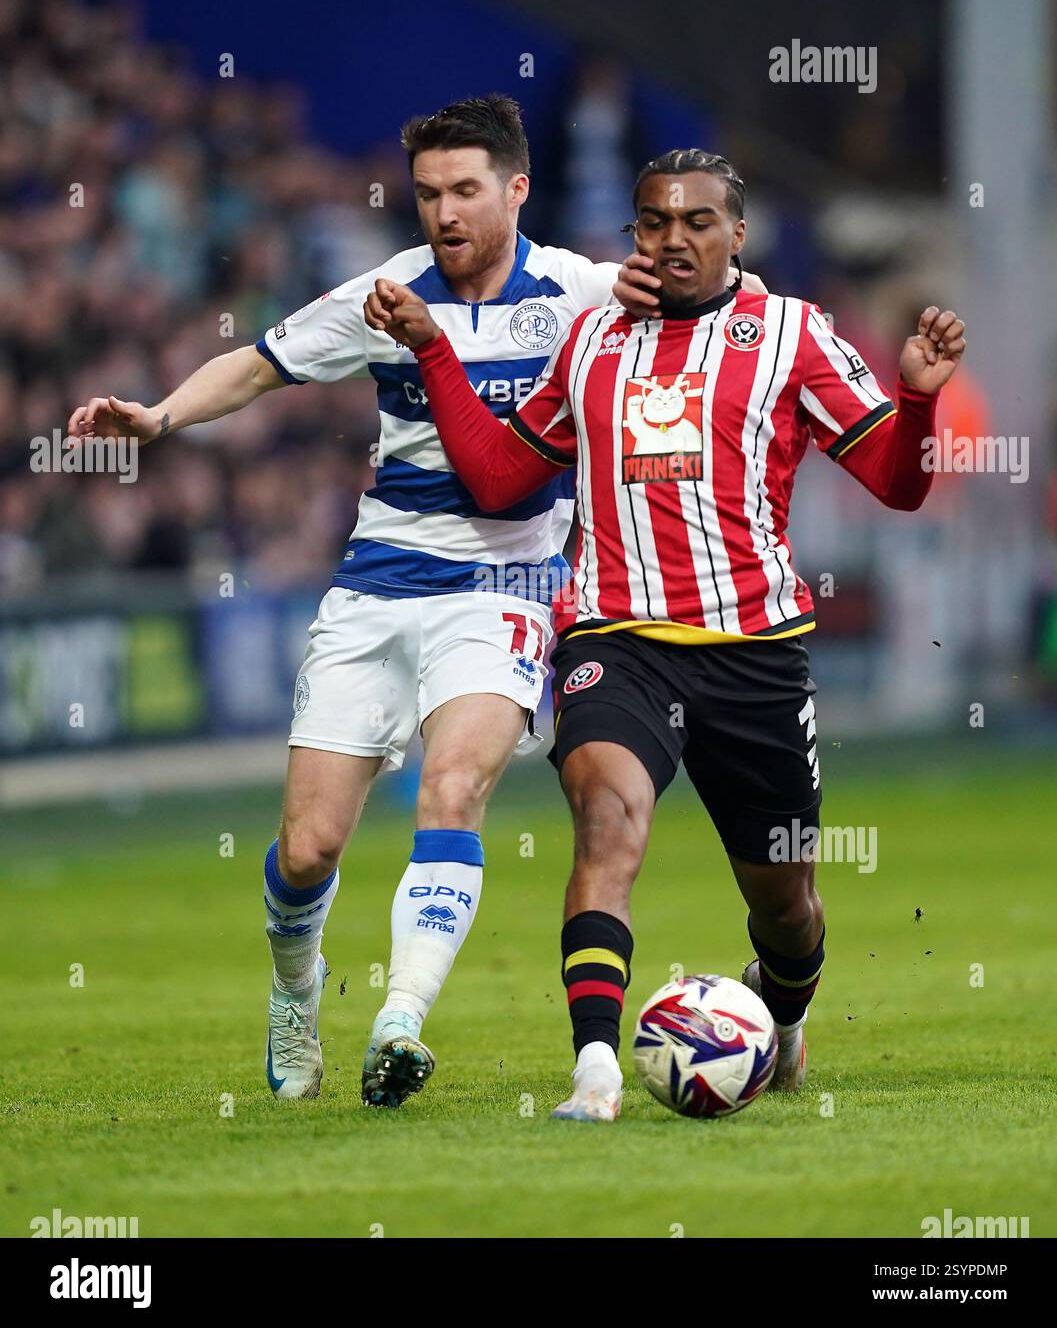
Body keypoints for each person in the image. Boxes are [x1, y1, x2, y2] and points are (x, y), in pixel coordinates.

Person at [66, 98, 764, 1109]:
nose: (444, 212)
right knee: (307, 849)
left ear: (516, 189)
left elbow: (713, 298)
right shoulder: (385, 294)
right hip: (376, 585)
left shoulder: (577, 289)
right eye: (428, 193)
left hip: (505, 586)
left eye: (465, 191)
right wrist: (163, 415)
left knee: (454, 791)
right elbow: (259, 365)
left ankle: (399, 1021)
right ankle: (296, 991)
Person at [364, 147, 966, 1121]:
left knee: (787, 906)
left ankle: (779, 1008)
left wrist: (921, 398)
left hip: (754, 652)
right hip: (616, 639)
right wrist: (435, 346)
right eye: (653, 222)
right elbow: (497, 478)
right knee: (607, 825)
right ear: (632, 234)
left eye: (696, 221)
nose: (674, 238)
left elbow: (897, 486)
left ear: (737, 233)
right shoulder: (592, 341)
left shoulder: (792, 337)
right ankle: (595, 1070)